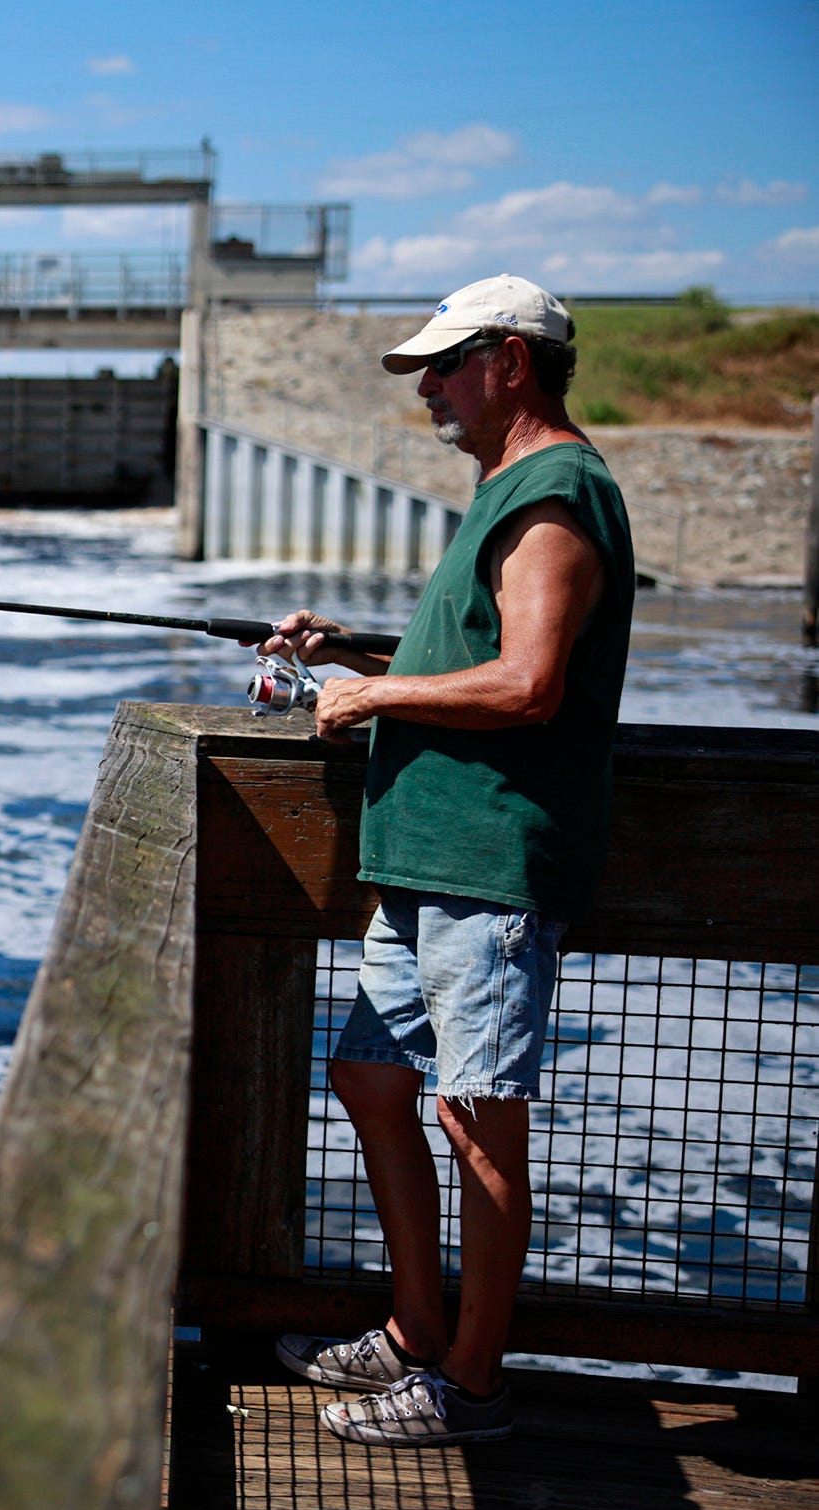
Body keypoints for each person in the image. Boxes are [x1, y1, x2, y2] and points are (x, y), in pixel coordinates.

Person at [253, 274, 637, 1447]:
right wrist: (355, 650)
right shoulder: (506, 490)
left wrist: (375, 692)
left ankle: (472, 1384)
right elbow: (473, 651)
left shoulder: (557, 494)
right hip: (424, 862)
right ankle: (418, 1329)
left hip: (486, 867)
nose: (429, 387)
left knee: (479, 1118)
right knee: (373, 1081)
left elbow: (528, 684)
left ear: (510, 362)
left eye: (446, 364)